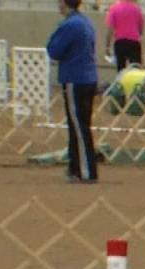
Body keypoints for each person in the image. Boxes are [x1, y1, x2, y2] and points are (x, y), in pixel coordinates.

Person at [46, 0, 97, 184]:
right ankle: (76, 167)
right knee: (81, 125)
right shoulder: (85, 22)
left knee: (78, 127)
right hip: (88, 78)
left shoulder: (69, 25)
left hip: (75, 79)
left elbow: (54, 50)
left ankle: (85, 171)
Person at [104, 0, 144, 72]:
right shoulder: (137, 9)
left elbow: (110, 29)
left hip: (120, 42)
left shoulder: (114, 8)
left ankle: (122, 82)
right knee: (136, 70)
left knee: (121, 70)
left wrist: (107, 46)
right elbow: (140, 29)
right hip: (134, 42)